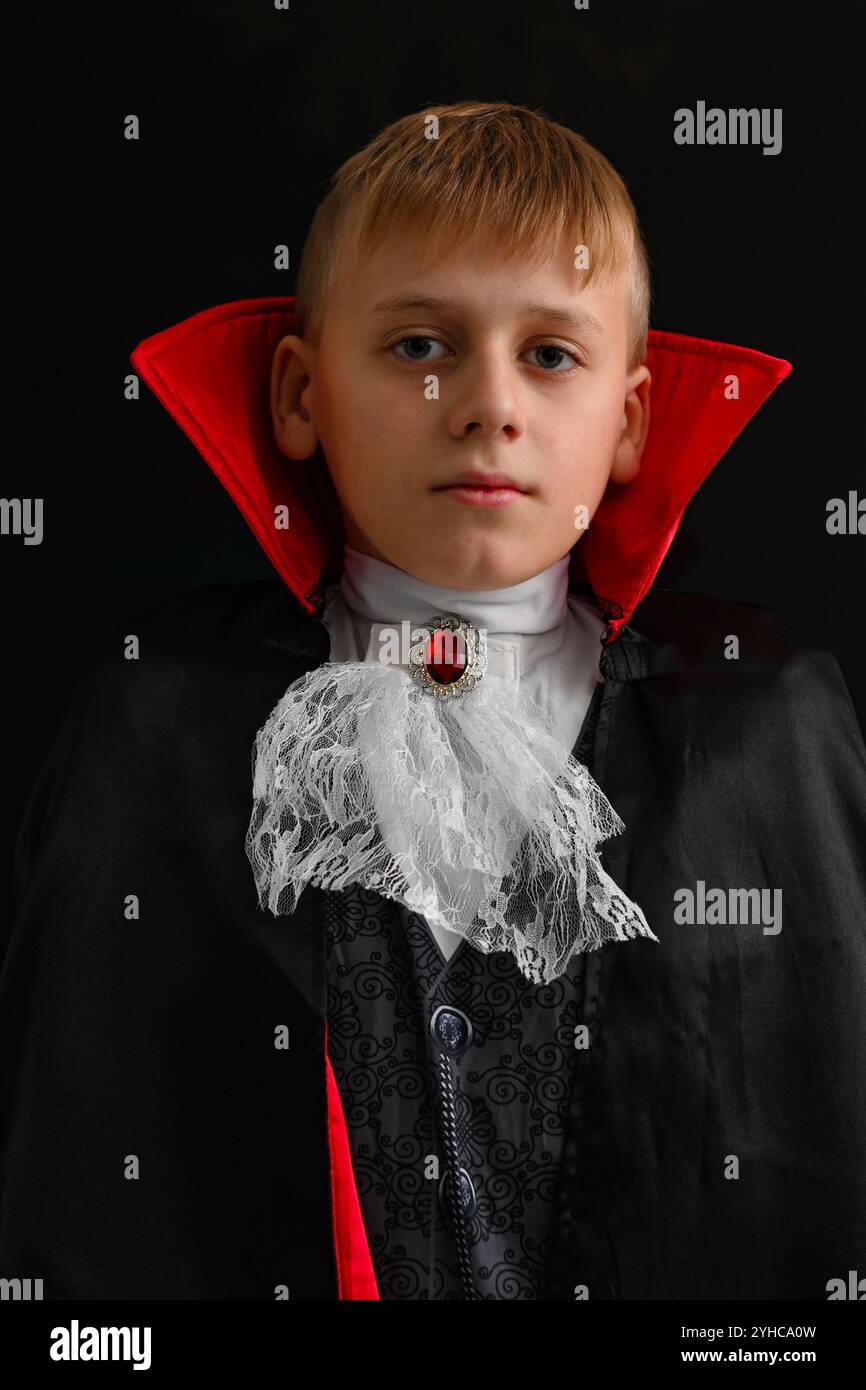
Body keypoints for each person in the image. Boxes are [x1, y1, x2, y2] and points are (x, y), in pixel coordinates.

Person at [2, 100, 864, 1302]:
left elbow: (807, 1148)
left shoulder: (764, 720)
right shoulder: (159, 718)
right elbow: (84, 1168)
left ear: (627, 420)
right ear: (301, 395)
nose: (486, 405)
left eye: (550, 354)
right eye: (418, 347)